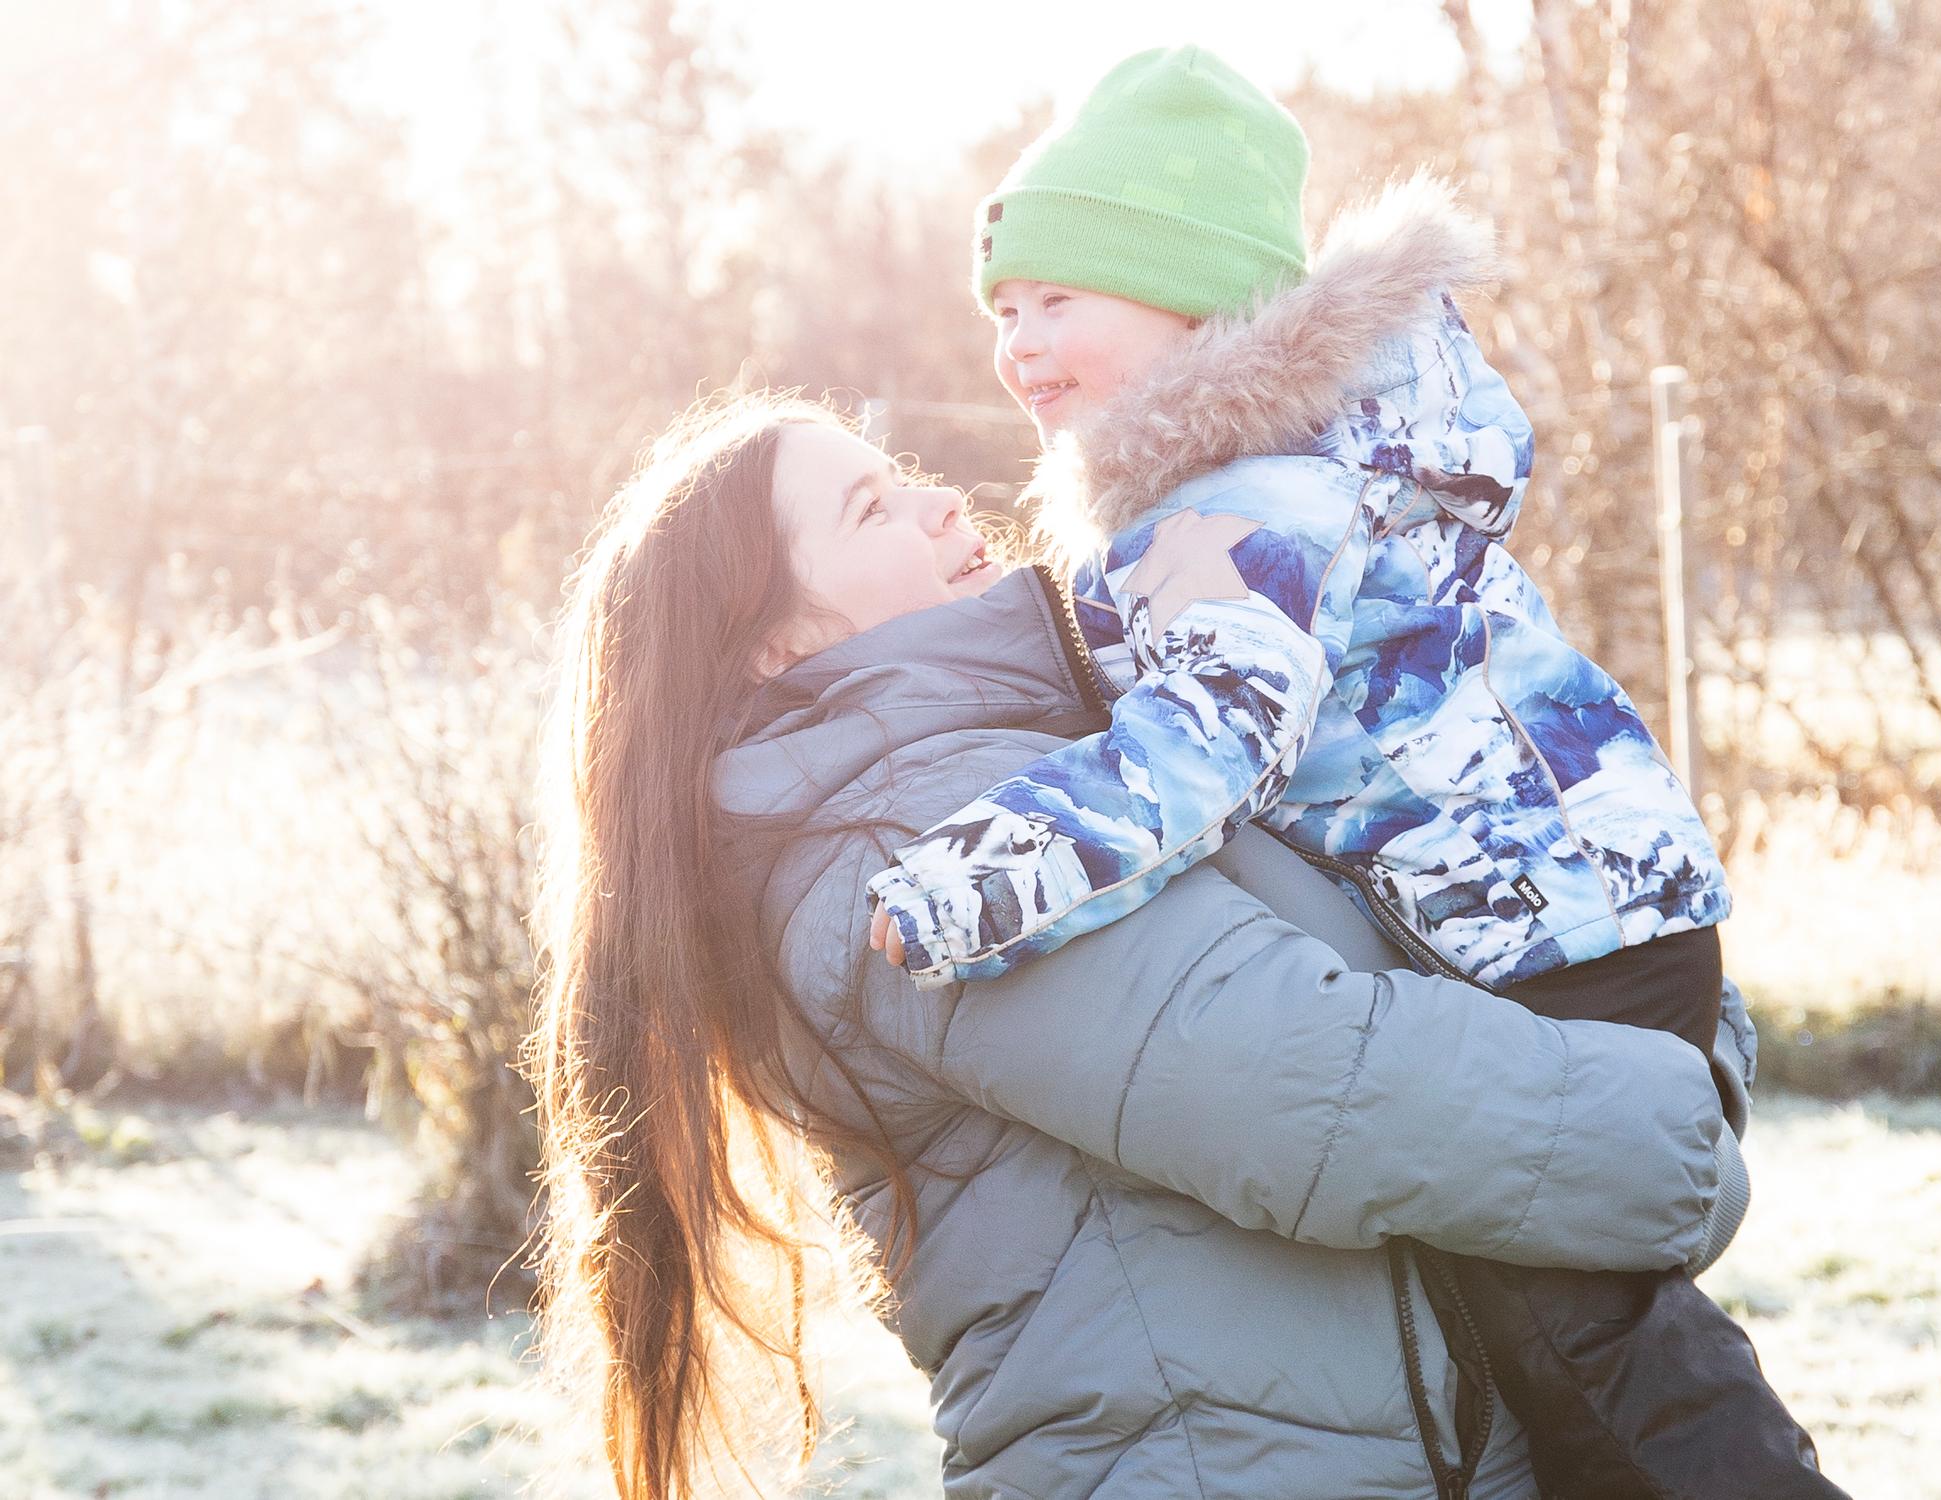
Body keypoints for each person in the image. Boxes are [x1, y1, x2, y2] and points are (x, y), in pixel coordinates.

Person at [860, 46, 1840, 1499]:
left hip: (1549, 938)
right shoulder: (1284, 472)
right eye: (1005, 310)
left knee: (1579, 1344)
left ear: (1190, 294)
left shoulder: (1242, 509)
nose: (1018, 343)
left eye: (1060, 298)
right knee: (1541, 1337)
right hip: (1579, 919)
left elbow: (1206, 741)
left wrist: (976, 881)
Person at [526, 391, 1751, 1499]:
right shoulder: (908, 841)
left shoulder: (1090, 770)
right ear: (773, 649)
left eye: (900, 469)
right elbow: (1312, 1085)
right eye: (871, 508)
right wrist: (1680, 1117)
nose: (936, 497)